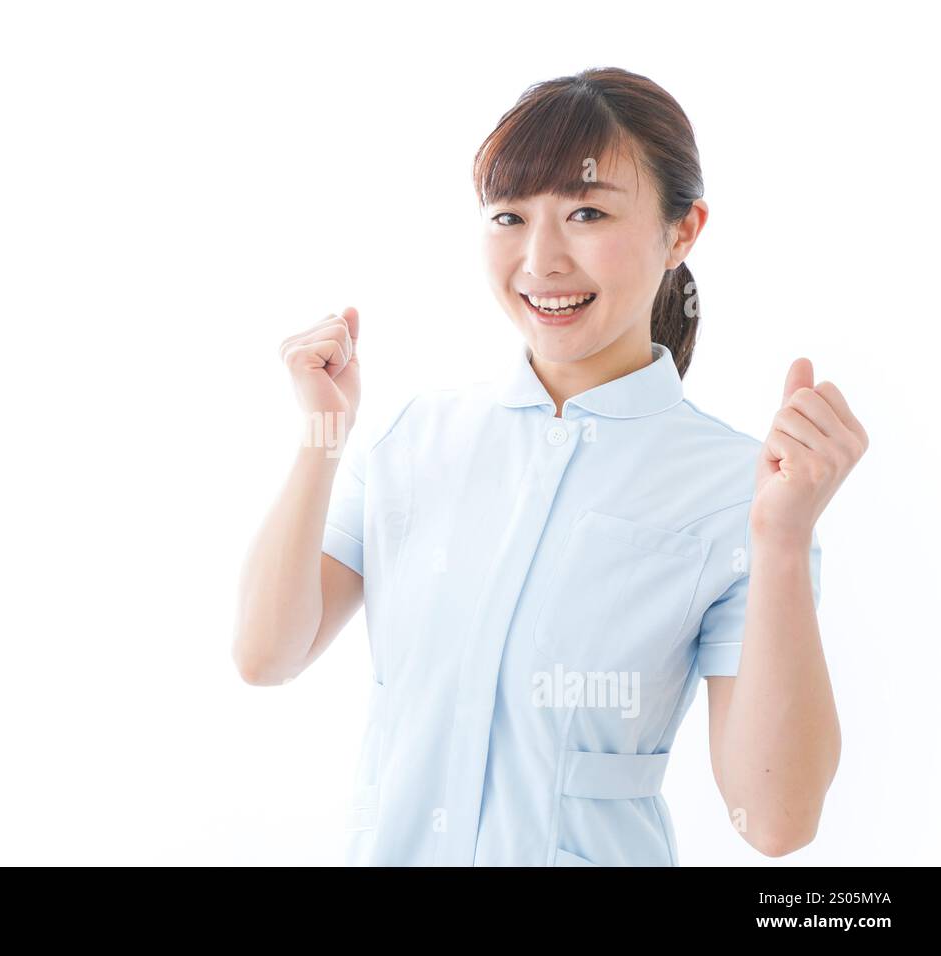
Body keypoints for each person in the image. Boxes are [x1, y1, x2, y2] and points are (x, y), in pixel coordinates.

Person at [231, 67, 868, 866]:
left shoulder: (744, 491)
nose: (540, 259)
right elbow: (266, 655)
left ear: (683, 230)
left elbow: (776, 822)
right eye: (509, 216)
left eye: (588, 212)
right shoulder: (414, 439)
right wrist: (319, 438)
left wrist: (779, 541)